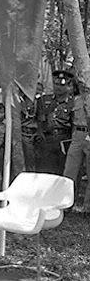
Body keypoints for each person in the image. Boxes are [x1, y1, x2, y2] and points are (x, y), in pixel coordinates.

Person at [37, 70, 74, 175]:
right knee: (45, 172)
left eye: (62, 85)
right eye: (56, 84)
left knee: (63, 172)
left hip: (65, 140)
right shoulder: (44, 100)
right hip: (47, 140)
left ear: (68, 86)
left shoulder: (72, 103)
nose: (58, 87)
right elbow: (40, 120)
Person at [62, 79, 90, 213]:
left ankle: (87, 208)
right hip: (77, 134)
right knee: (69, 170)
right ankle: (66, 204)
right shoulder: (75, 99)